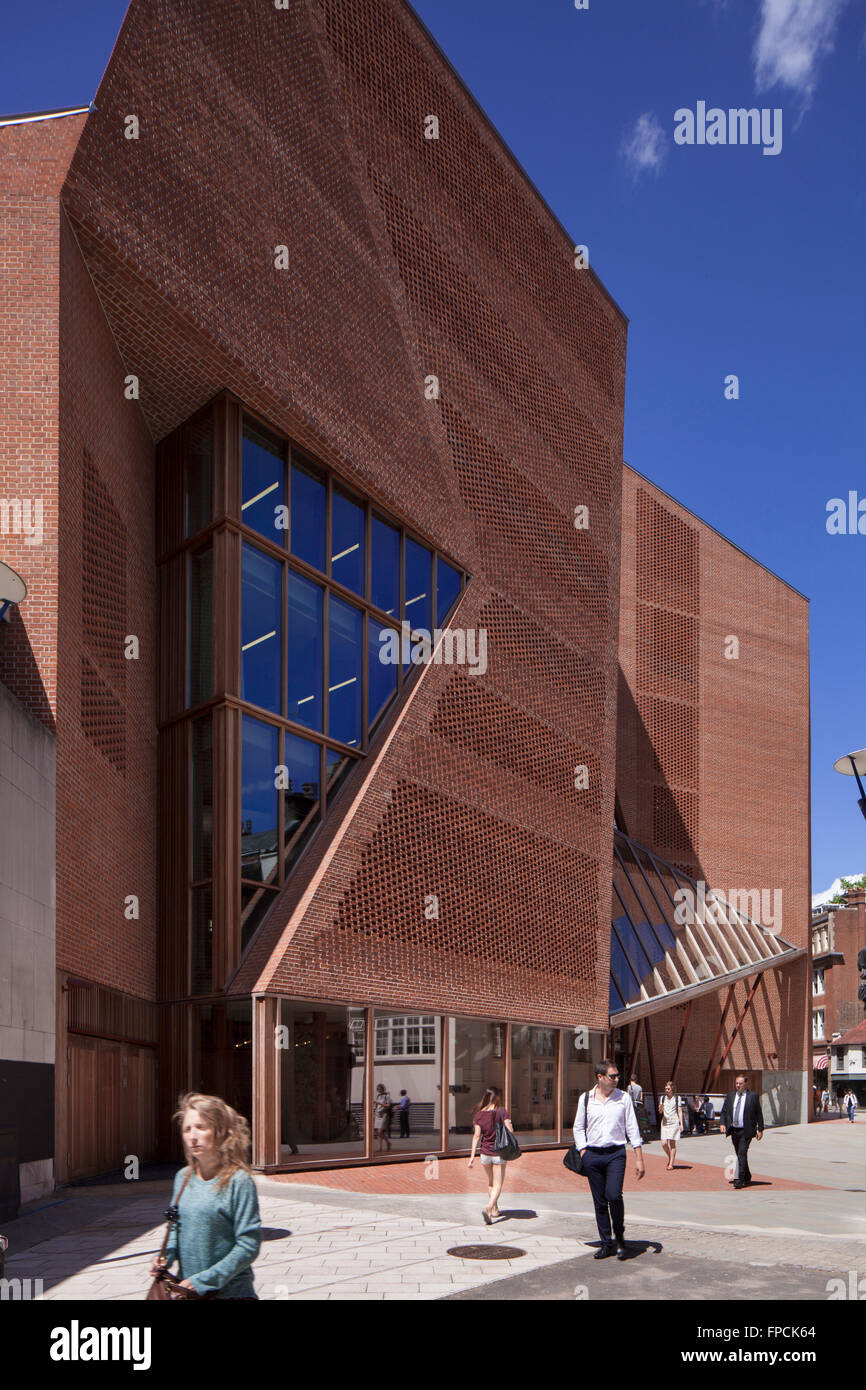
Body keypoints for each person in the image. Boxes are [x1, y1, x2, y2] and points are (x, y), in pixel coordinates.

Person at [149, 1092, 261, 1299]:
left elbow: (249, 1244)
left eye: (201, 1127)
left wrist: (204, 1280)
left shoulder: (239, 1181)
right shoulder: (182, 1178)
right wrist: (165, 1257)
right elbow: (175, 1228)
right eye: (187, 1129)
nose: (193, 1136)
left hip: (232, 1294)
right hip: (190, 1293)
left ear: (219, 1132)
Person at [574, 1060, 645, 1260]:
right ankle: (606, 1243)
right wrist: (583, 1152)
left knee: (613, 1195)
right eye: (612, 1076)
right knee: (599, 1202)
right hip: (593, 1156)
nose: (617, 1079)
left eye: (617, 1075)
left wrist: (639, 1159)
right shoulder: (586, 1098)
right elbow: (578, 1128)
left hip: (616, 1154)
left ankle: (620, 1238)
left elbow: (632, 1128)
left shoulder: (623, 1098)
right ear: (600, 1077)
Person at [468, 1085, 516, 1224]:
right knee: (498, 1183)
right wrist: (510, 1125)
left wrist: (471, 1157)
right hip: (499, 1153)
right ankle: (489, 1206)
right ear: (498, 1098)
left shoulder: (479, 1114)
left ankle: (495, 1210)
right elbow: (510, 1130)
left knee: (491, 1182)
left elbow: (476, 1136)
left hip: (485, 1153)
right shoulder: (501, 1111)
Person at [720, 1073, 764, 1188]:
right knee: (740, 1155)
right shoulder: (730, 1096)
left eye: (740, 1083)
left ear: (745, 1084)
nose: (738, 1085)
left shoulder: (753, 1096)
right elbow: (724, 1111)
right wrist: (722, 1123)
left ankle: (739, 1179)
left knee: (741, 1153)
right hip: (734, 1130)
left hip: (747, 1130)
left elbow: (759, 1113)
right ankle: (747, 1176)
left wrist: (760, 1129)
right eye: (736, 1083)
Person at [658, 1081, 685, 1170]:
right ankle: (670, 1157)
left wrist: (681, 1123)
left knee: (672, 1143)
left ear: (672, 1089)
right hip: (665, 1123)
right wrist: (660, 1109)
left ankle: (671, 1163)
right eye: (665, 1089)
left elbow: (679, 1111)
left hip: (674, 1122)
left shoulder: (677, 1098)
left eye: (668, 1089)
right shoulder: (662, 1098)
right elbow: (660, 1111)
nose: (666, 1090)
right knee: (664, 1143)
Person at [374, 1083, 393, 1152]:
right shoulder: (378, 1096)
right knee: (378, 1132)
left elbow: (388, 1105)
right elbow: (376, 1106)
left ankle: (388, 1143)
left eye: (380, 1089)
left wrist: (380, 1104)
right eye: (378, 1089)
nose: (379, 1090)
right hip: (377, 1114)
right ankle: (380, 1147)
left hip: (384, 1114)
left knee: (380, 1131)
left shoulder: (386, 1096)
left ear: (383, 1089)